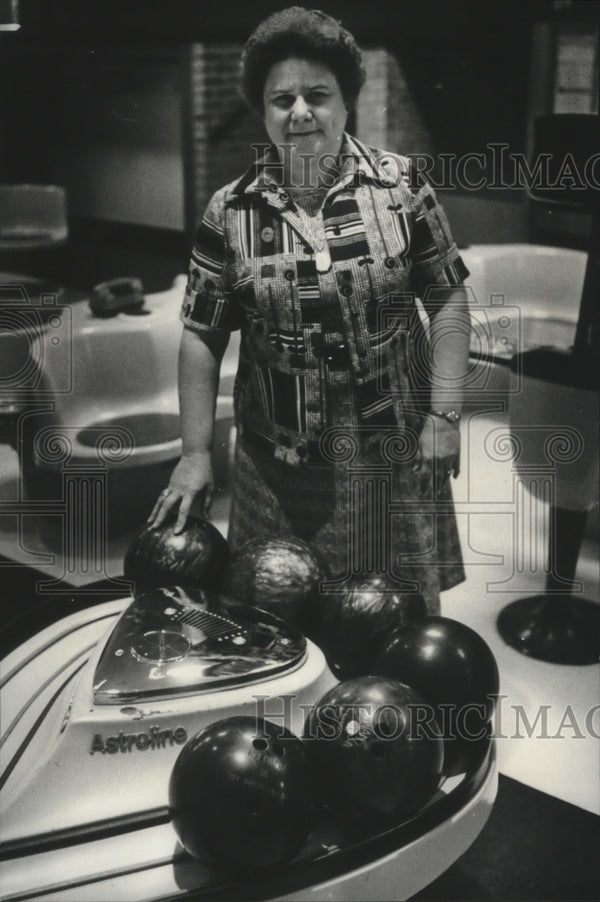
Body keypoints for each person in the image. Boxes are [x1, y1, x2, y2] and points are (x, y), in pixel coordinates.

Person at [148, 6, 471, 614]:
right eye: (282, 99)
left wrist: (445, 416)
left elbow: (448, 295)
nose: (300, 112)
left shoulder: (401, 188)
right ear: (263, 111)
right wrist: (194, 454)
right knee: (280, 611)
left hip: (389, 449)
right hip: (280, 466)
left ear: (345, 101)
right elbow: (201, 333)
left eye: (317, 95)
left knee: (395, 617)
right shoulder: (231, 210)